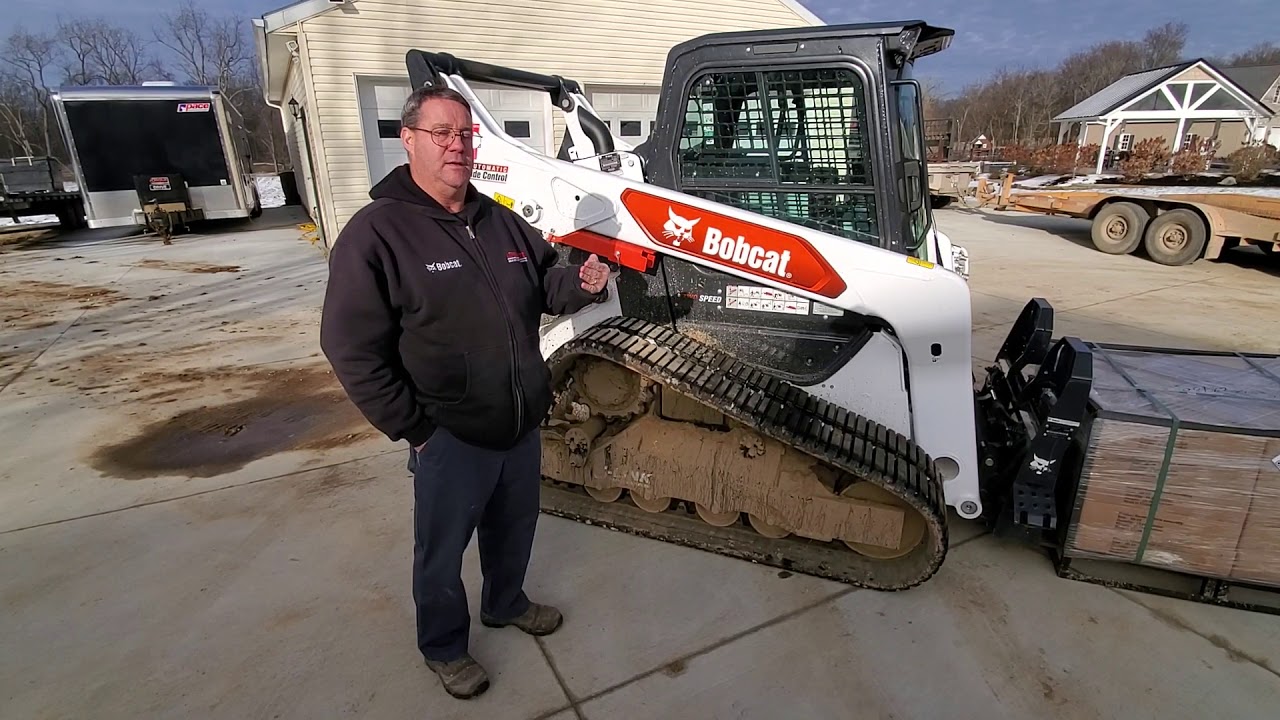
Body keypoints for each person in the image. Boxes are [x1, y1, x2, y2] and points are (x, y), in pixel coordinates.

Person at [319, 84, 611, 700]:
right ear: (409, 140)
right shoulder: (377, 235)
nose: (458, 145)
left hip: (519, 422)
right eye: (442, 133)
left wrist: (579, 282)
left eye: (466, 134)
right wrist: (415, 428)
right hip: (448, 433)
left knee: (515, 528)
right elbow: (349, 348)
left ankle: (505, 603)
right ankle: (445, 648)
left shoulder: (497, 218)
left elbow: (543, 286)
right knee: (441, 552)